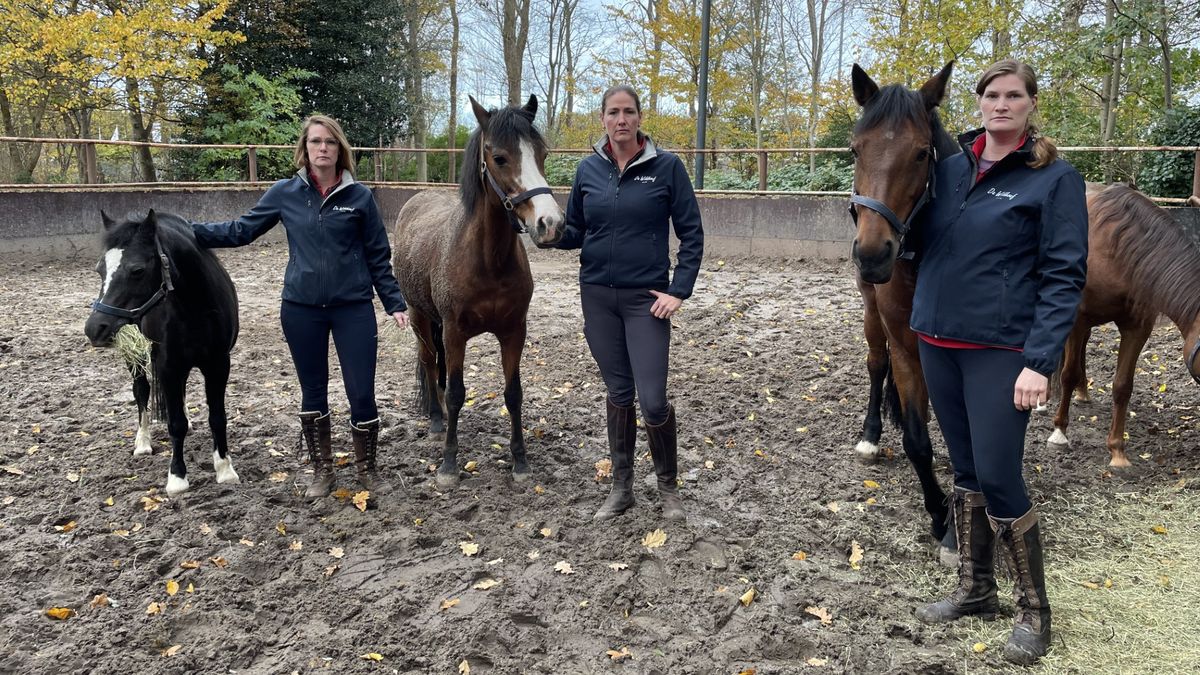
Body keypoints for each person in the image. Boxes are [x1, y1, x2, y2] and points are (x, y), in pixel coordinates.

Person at [908, 60, 1088, 665]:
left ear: (1032, 104)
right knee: (964, 469)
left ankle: (1035, 612)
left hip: (1004, 351)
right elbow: (925, 239)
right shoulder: (951, 168)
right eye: (992, 95)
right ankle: (975, 589)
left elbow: (1064, 276)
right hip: (937, 339)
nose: (1001, 104)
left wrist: (1040, 361)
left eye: (1014, 95)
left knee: (1000, 473)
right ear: (979, 103)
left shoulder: (1053, 179)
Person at [191, 114, 409, 499]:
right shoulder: (285, 193)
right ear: (304, 148)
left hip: (352, 308)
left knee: (362, 392)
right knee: (313, 392)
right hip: (301, 309)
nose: (322, 148)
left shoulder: (360, 197)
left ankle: (367, 470)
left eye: (329, 142)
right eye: (315, 142)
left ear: (340, 148)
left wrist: (393, 302)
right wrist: (187, 230)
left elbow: (378, 255)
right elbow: (242, 230)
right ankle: (322, 471)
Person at [555, 85, 704, 523]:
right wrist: (539, 231)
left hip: (647, 300)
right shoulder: (588, 170)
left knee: (653, 399)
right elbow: (577, 231)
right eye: (613, 113)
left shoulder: (667, 168)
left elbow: (691, 233)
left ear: (640, 118)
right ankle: (622, 488)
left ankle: (668, 488)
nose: (621, 120)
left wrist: (679, 290)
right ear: (602, 119)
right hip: (597, 297)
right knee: (619, 393)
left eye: (629, 112)